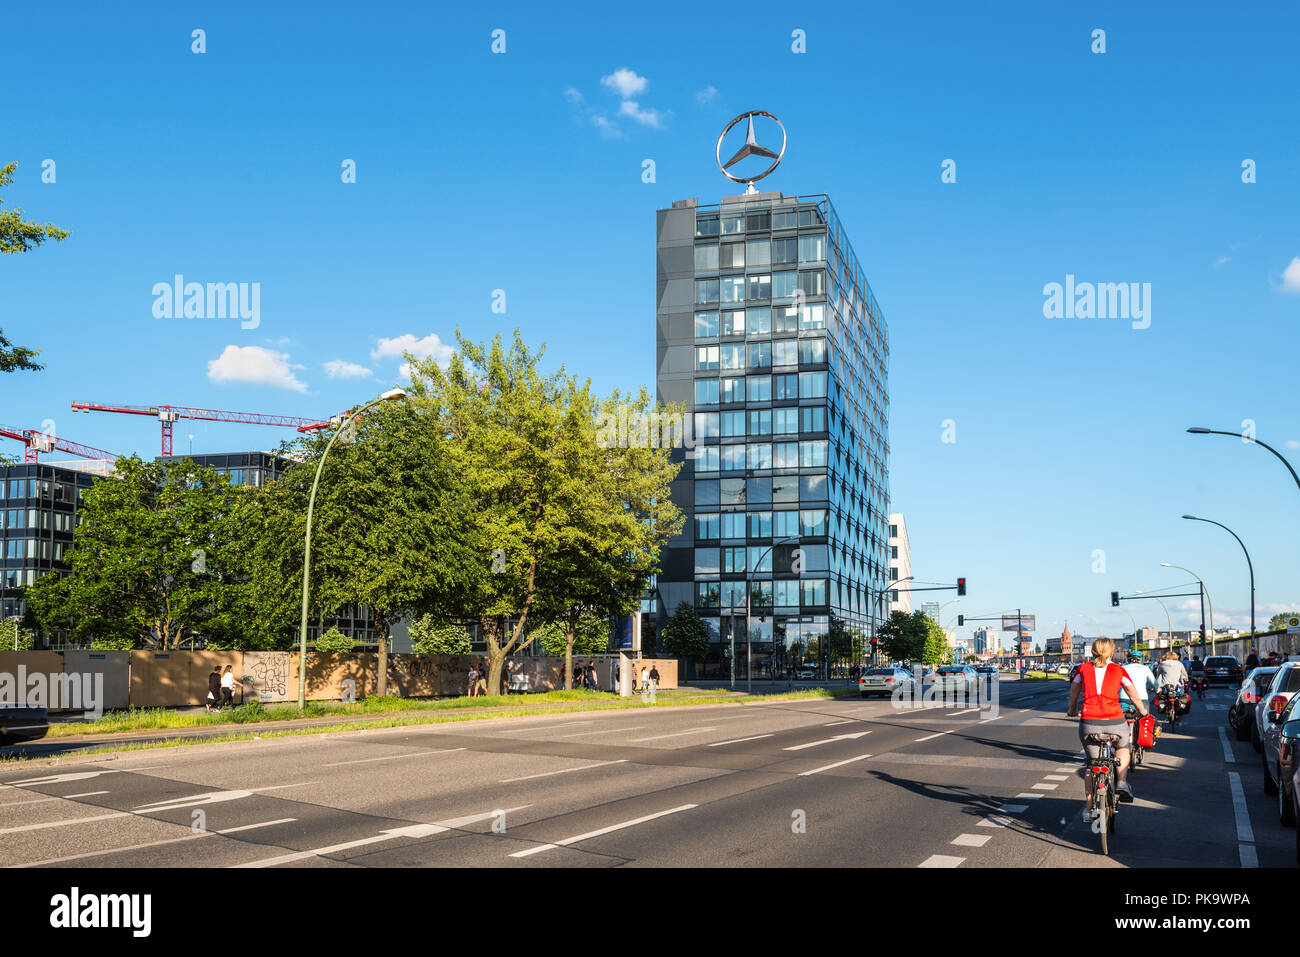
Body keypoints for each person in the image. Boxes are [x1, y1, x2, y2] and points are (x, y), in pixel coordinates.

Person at [1067, 637, 1148, 811]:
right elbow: (1132, 693)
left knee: (1091, 764)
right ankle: (1122, 783)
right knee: (1123, 746)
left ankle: (1089, 809)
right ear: (1112, 652)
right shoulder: (1118, 670)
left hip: (1089, 722)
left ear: (1093, 652)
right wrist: (1142, 710)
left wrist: (1072, 710)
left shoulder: (1082, 669)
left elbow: (1073, 693)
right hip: (1115, 720)